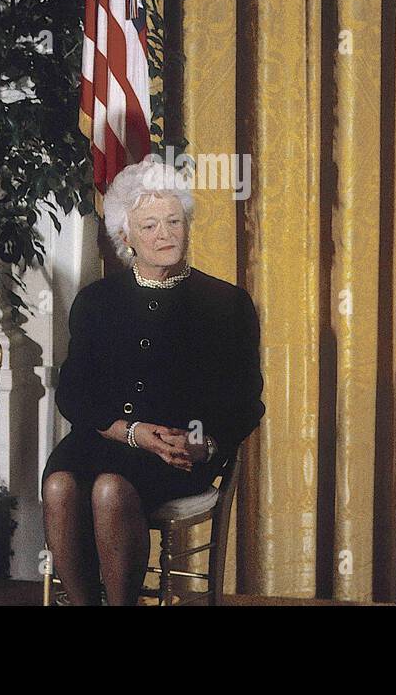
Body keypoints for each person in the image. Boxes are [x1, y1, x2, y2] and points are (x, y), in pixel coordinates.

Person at [42, 158, 265, 605]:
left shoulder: (225, 303)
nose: (165, 234)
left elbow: (245, 400)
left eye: (173, 221)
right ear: (126, 236)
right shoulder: (96, 301)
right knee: (59, 486)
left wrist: (209, 443)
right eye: (150, 225)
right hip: (106, 437)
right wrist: (130, 432)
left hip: (178, 448)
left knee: (109, 489)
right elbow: (73, 393)